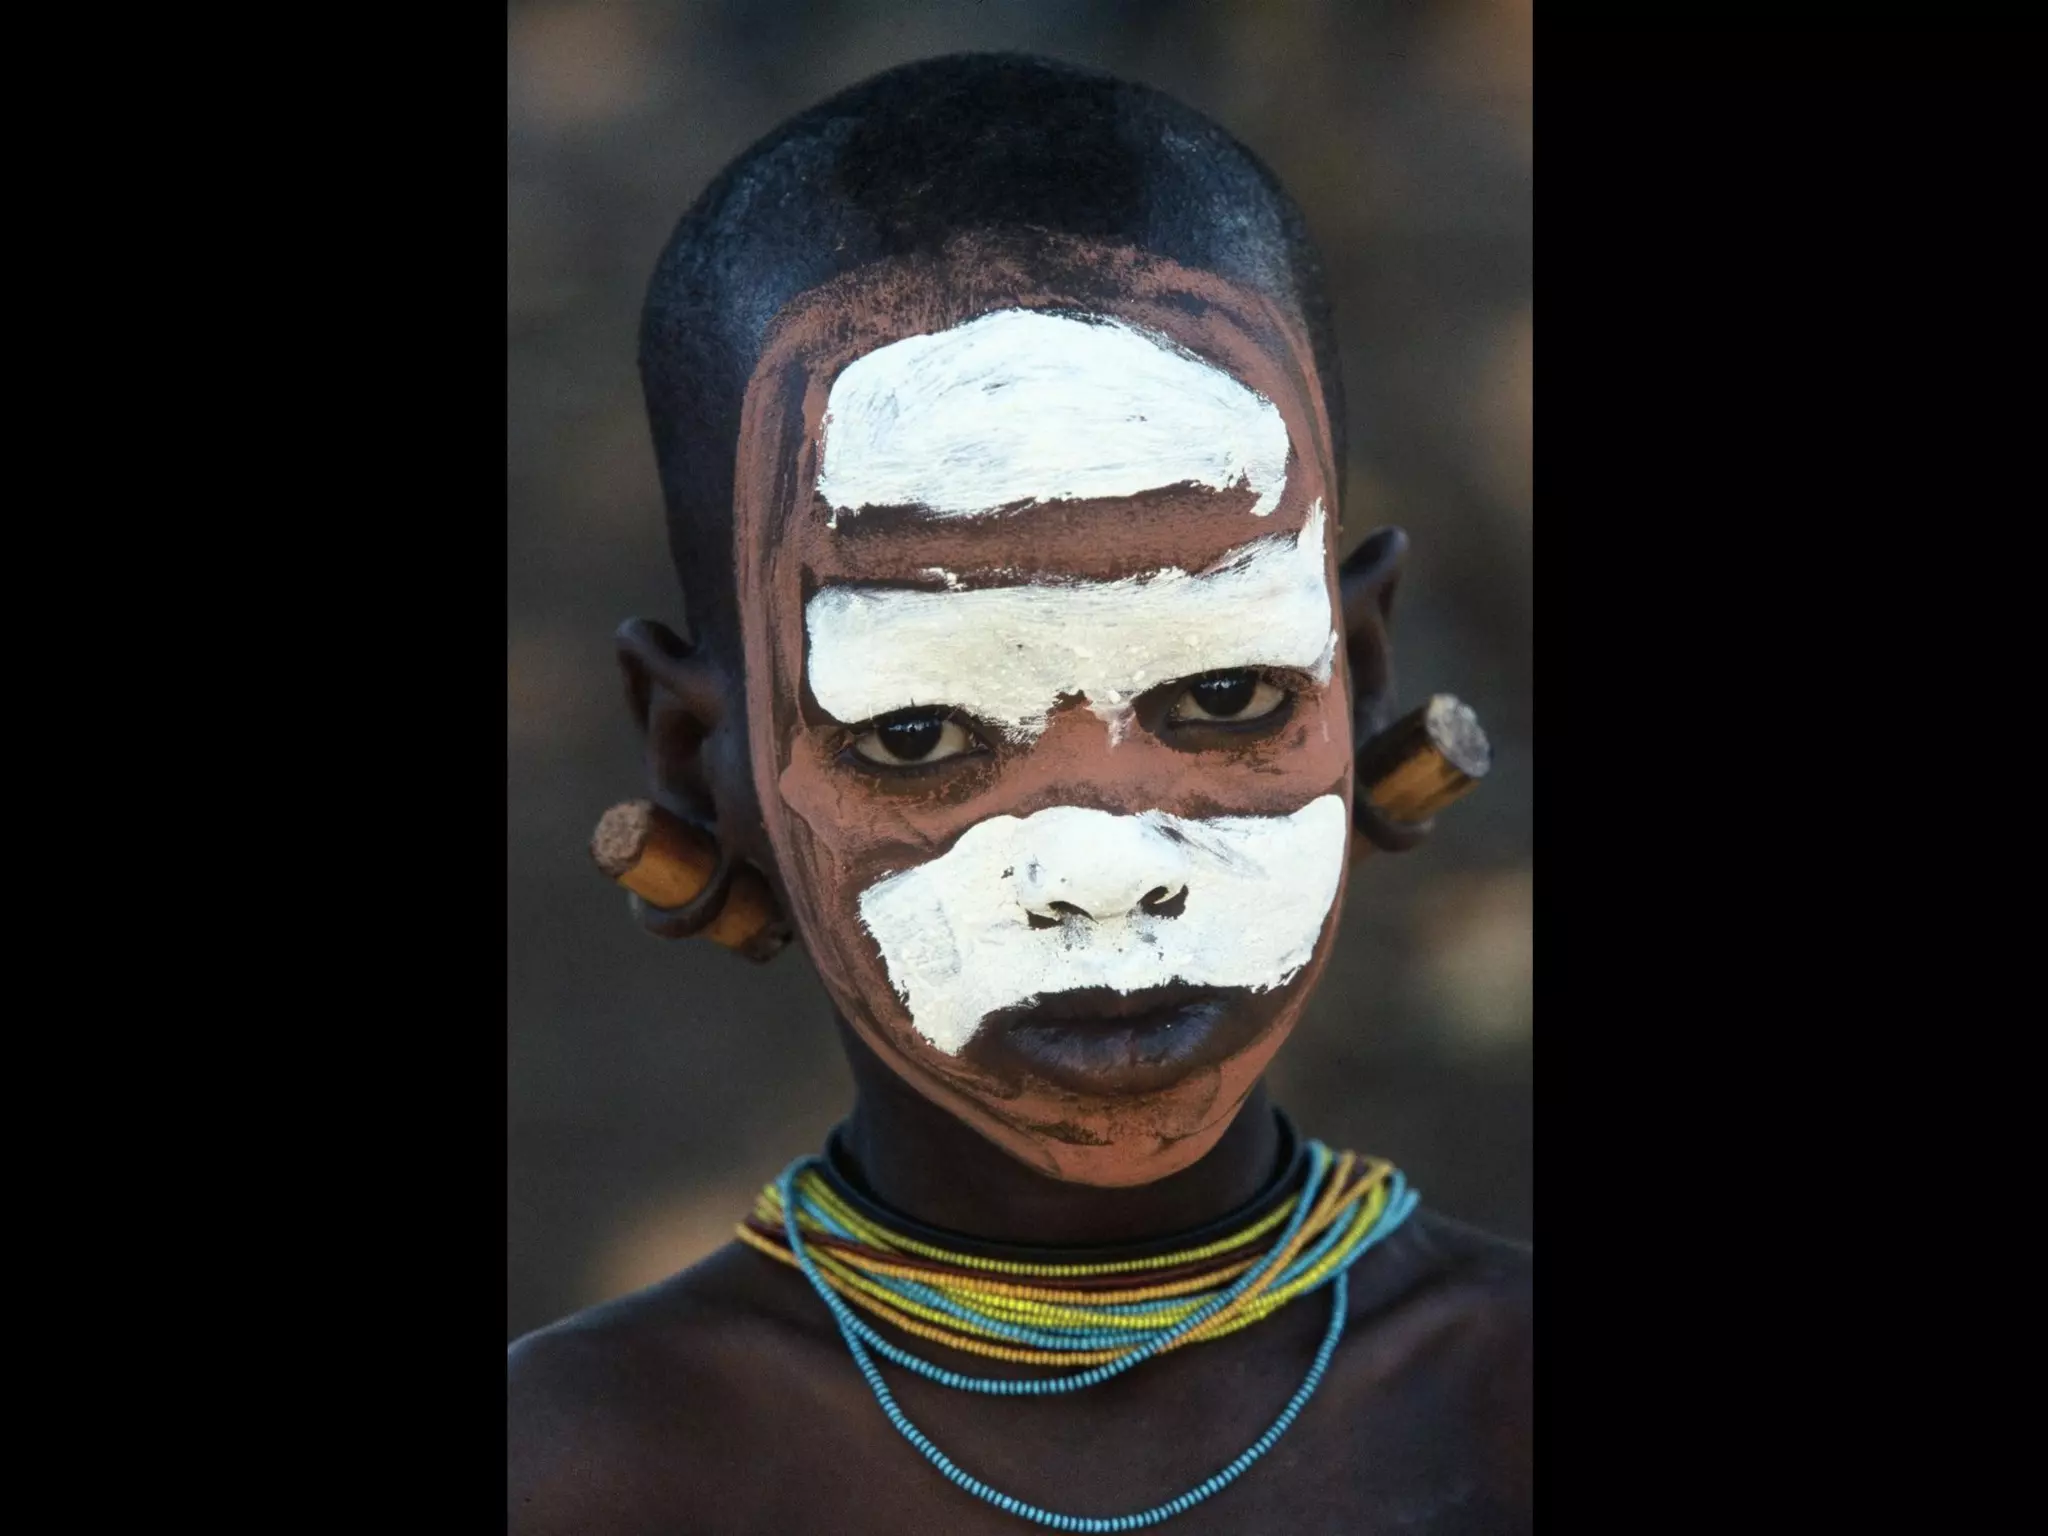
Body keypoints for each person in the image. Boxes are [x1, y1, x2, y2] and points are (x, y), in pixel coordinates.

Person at [509, 53, 1531, 1535]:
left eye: (1227, 698)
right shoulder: (581, 1472)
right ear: (694, 761)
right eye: (919, 737)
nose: (1103, 866)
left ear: (1356, 676)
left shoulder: (1503, 1412)